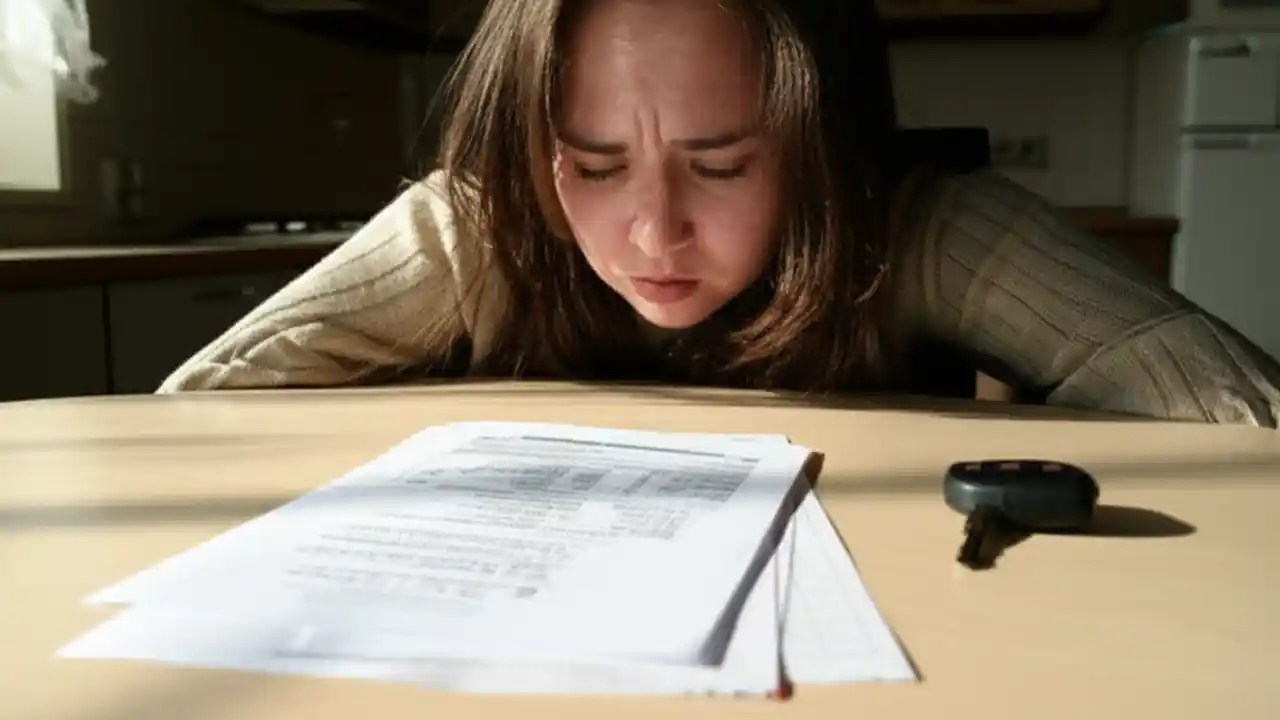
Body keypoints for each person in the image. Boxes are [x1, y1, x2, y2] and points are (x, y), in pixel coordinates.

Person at [158, 0, 1280, 428]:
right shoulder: (481, 227)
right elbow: (193, 416)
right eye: (593, 168)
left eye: (724, 164)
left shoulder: (916, 225)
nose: (653, 233)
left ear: (821, 150)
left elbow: (1231, 407)